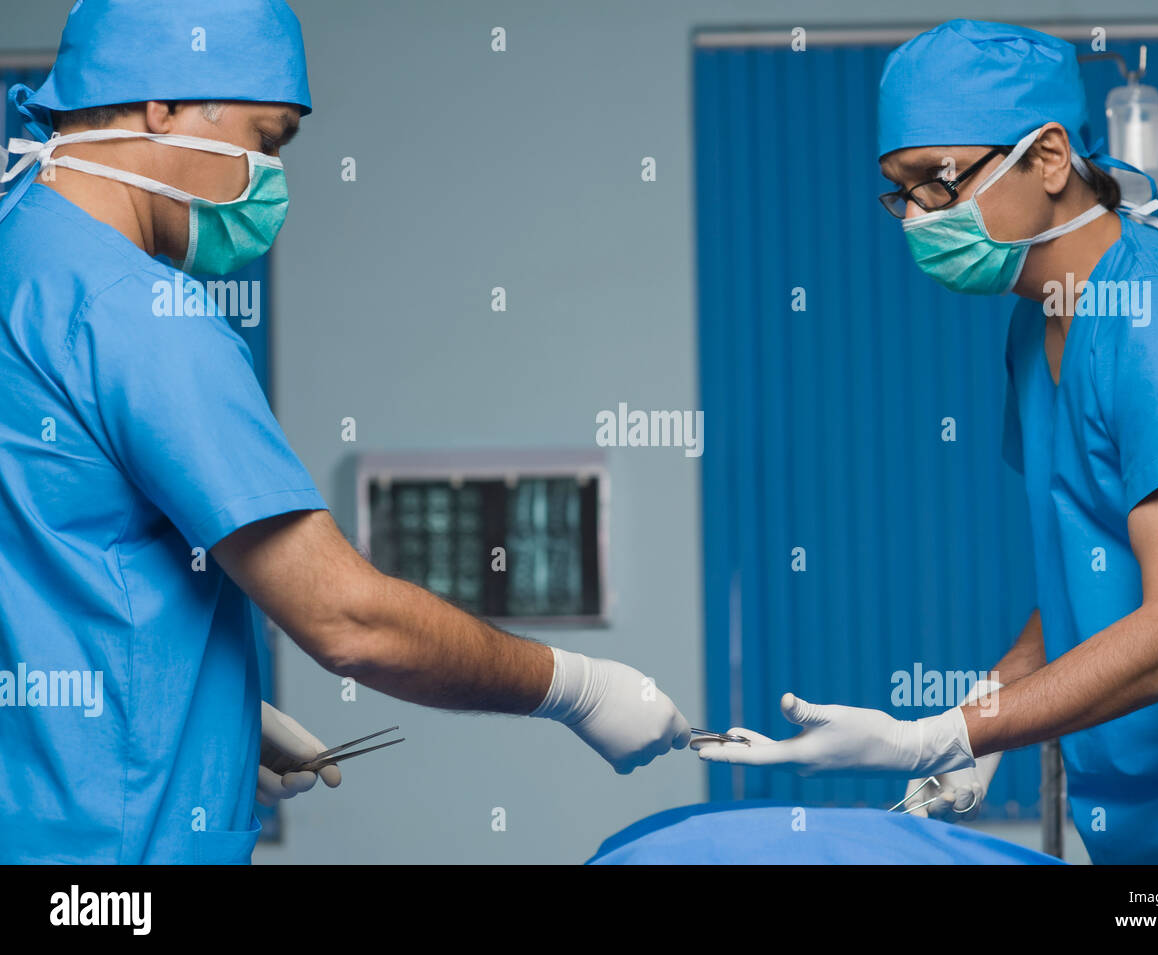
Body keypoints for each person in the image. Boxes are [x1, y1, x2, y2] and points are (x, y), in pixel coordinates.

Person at [0, 0, 688, 865]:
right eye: (269, 141)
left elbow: (41, 560)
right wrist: (579, 688)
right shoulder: (137, 313)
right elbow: (348, 621)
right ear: (162, 106)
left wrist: (193, 707)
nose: (272, 181)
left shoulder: (20, 256)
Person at [696, 19, 1158, 864]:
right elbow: (1092, 574)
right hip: (1145, 834)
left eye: (936, 182)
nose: (914, 216)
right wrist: (988, 723)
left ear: (1049, 158)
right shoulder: (1036, 327)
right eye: (897, 191)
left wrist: (939, 733)